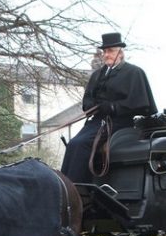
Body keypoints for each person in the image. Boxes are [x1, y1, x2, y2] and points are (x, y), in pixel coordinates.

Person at [60, 32, 158, 183]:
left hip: (119, 123)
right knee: (73, 144)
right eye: (105, 51)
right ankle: (66, 184)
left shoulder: (134, 73)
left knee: (80, 144)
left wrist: (112, 107)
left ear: (120, 52)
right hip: (96, 122)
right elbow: (87, 98)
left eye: (111, 51)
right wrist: (90, 105)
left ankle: (78, 187)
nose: (107, 55)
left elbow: (139, 103)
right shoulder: (97, 75)